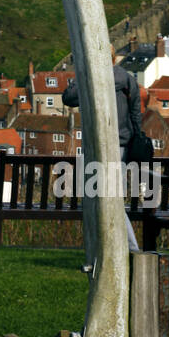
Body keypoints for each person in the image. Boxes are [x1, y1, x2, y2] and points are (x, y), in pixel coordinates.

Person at [62, 48, 142, 253]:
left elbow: (68, 97)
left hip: (96, 145)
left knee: (101, 198)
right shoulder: (127, 79)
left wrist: (82, 75)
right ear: (113, 57)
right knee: (110, 198)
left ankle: (130, 248)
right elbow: (135, 114)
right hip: (122, 145)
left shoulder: (90, 78)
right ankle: (117, 248)